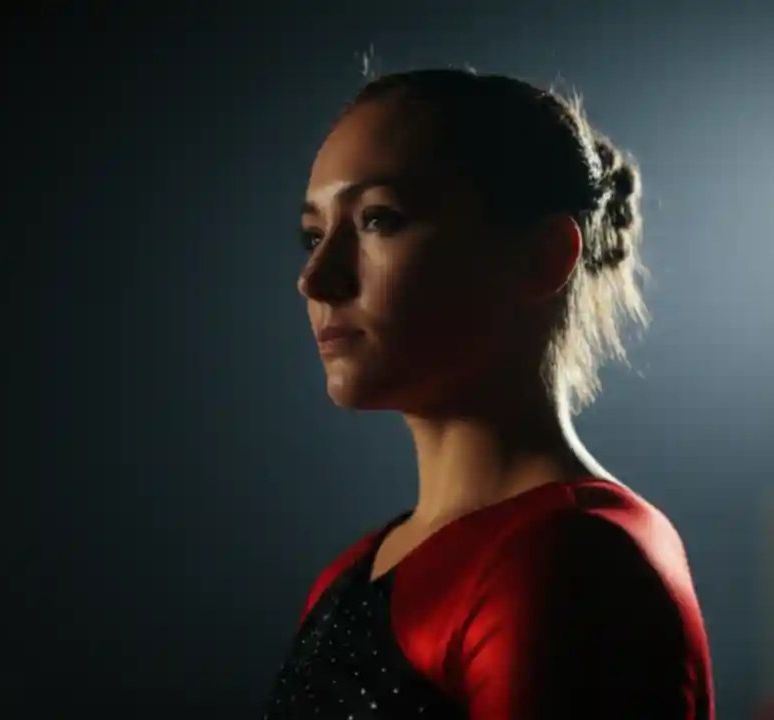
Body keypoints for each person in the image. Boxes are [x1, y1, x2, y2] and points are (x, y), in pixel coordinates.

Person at [264, 67, 714, 719]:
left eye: (379, 220)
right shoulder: (352, 573)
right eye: (314, 234)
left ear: (540, 257)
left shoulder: (570, 561)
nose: (317, 277)